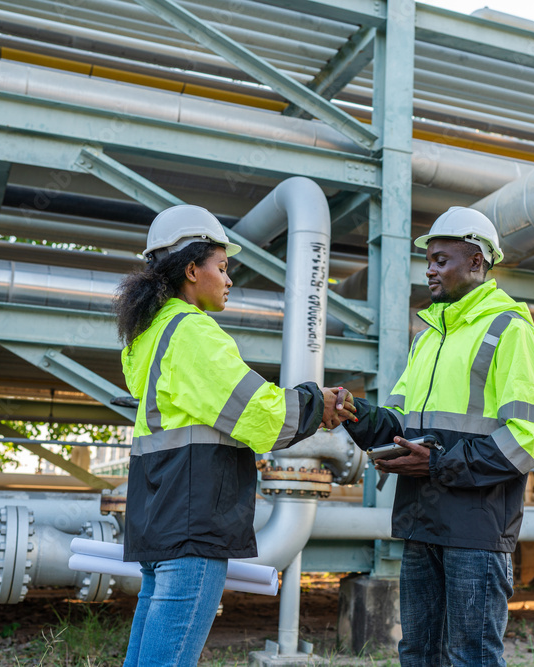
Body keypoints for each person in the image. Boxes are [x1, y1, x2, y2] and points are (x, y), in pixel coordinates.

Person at [114, 204, 355, 666]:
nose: (228, 280)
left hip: (158, 518)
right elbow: (260, 416)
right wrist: (314, 401)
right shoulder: (191, 333)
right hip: (193, 522)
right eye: (222, 268)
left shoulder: (146, 336)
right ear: (190, 270)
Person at [342, 207, 534, 666]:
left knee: (470, 655)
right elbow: (401, 425)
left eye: (441, 259)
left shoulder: (510, 330)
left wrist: (439, 464)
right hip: (422, 522)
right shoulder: (428, 339)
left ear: (476, 261)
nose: (430, 269)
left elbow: (533, 433)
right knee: (417, 652)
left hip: (476, 530)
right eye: (430, 260)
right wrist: (355, 413)